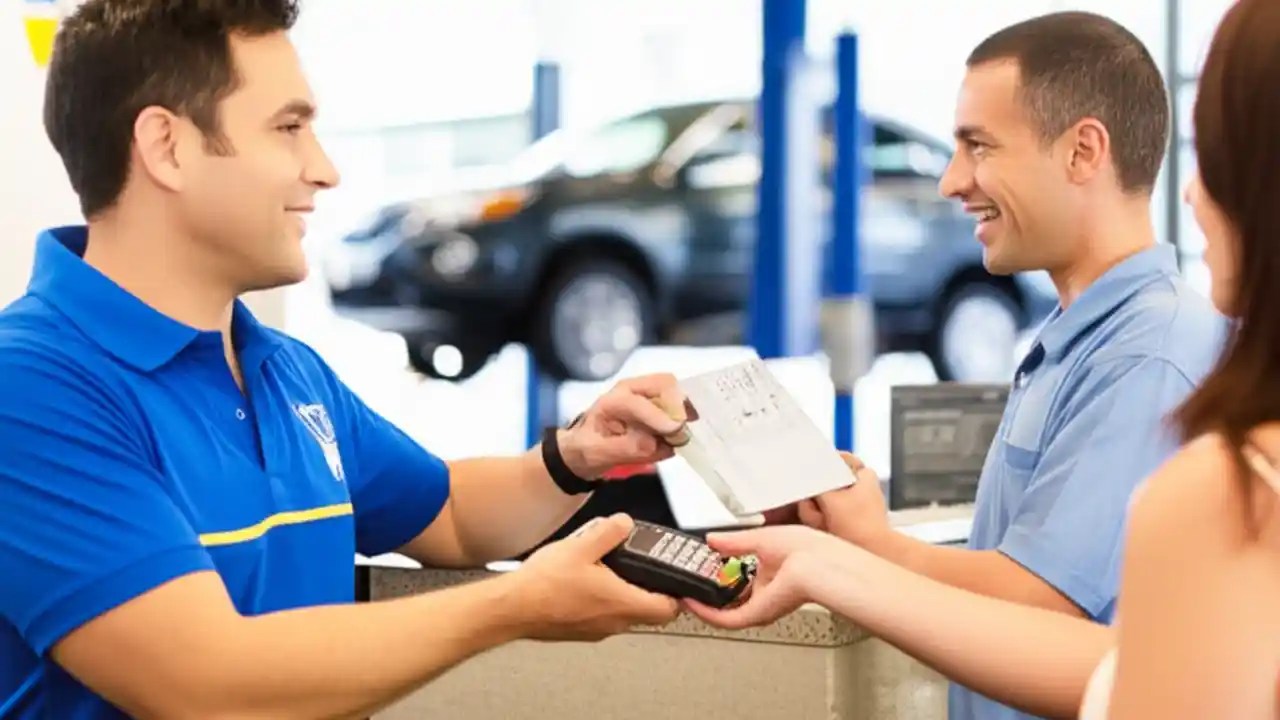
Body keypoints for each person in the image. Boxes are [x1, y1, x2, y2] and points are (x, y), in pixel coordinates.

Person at [0, 2, 689, 718]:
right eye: (289, 128)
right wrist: (513, 606)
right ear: (167, 147)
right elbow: (206, 688)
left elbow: (448, 512)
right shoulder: (31, 389)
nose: (324, 170)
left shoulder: (283, 370)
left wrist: (576, 455)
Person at [689, 0, 1280, 717]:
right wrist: (857, 546)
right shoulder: (1076, 342)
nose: (951, 180)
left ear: (1083, 151)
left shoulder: (1153, 354)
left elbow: (1050, 610)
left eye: (980, 146)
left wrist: (863, 556)